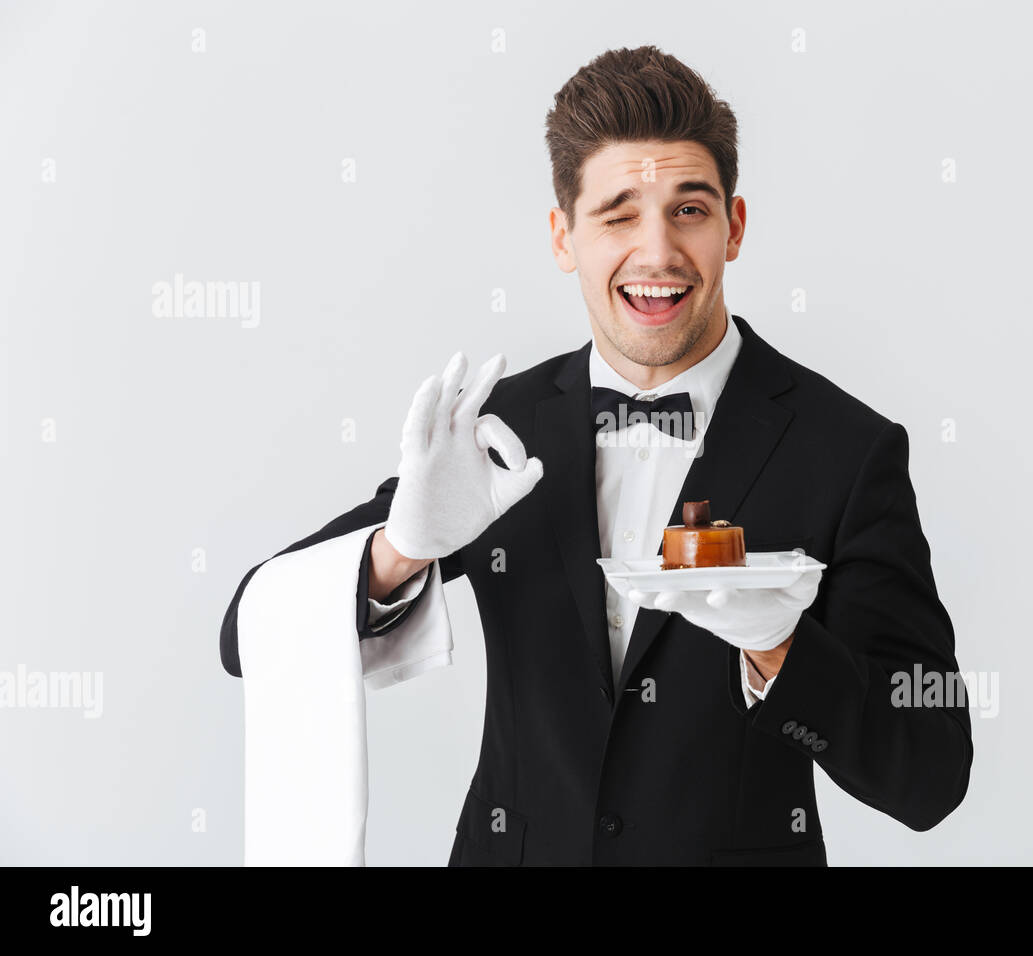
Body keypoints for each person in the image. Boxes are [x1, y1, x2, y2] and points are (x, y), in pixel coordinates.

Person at [221, 45, 973, 866]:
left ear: (735, 227)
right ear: (563, 237)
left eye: (689, 209)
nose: (656, 254)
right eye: (619, 214)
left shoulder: (846, 449)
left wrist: (778, 646)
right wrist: (404, 548)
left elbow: (930, 772)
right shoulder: (499, 432)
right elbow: (249, 632)